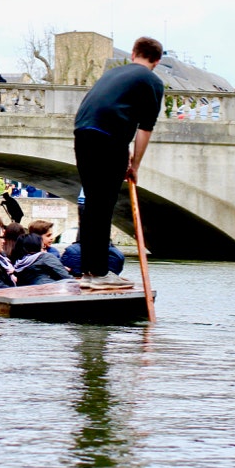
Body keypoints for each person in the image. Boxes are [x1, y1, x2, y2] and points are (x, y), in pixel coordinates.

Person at [72, 36, 165, 288]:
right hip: (109, 137)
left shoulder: (112, 74)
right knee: (104, 204)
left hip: (83, 132)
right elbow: (145, 129)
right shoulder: (152, 81)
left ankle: (89, 272)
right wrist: (134, 165)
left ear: (133, 53)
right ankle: (100, 273)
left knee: (93, 203)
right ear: (156, 61)